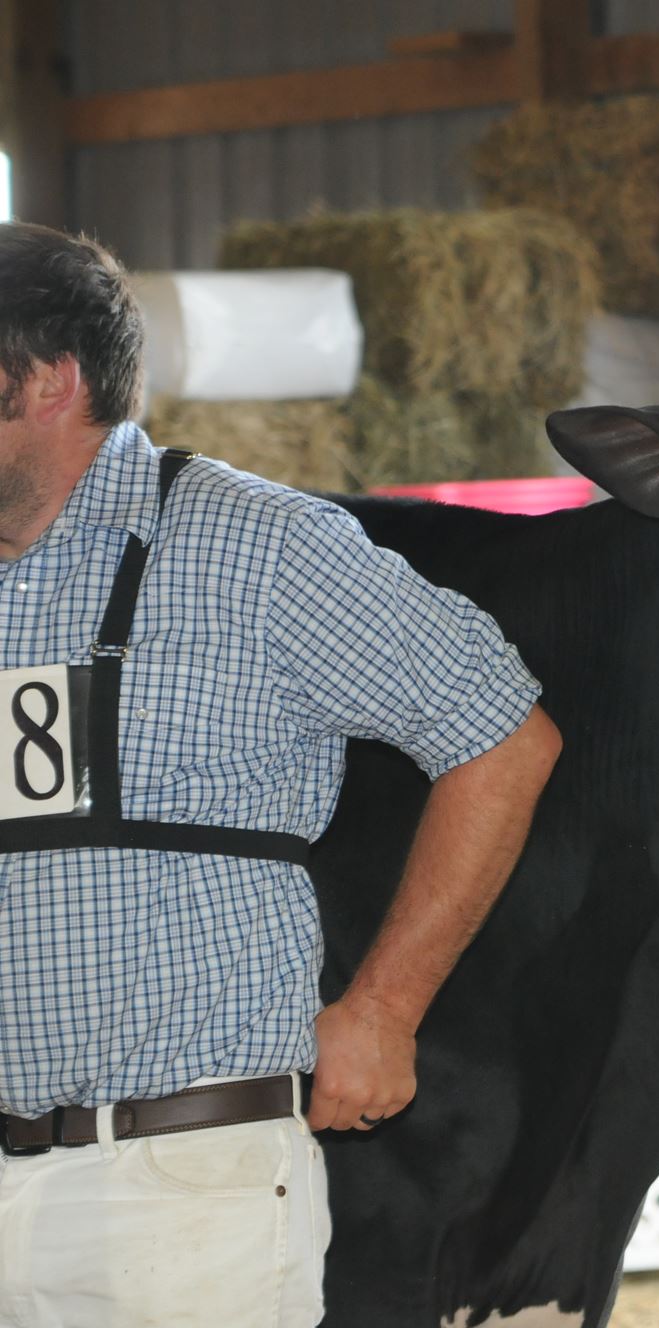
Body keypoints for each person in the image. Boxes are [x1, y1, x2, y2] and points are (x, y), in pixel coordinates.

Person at [0, 221, 562, 1325]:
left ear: (51, 383)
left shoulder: (252, 544)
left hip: (180, 1185)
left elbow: (501, 735)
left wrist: (385, 1008)